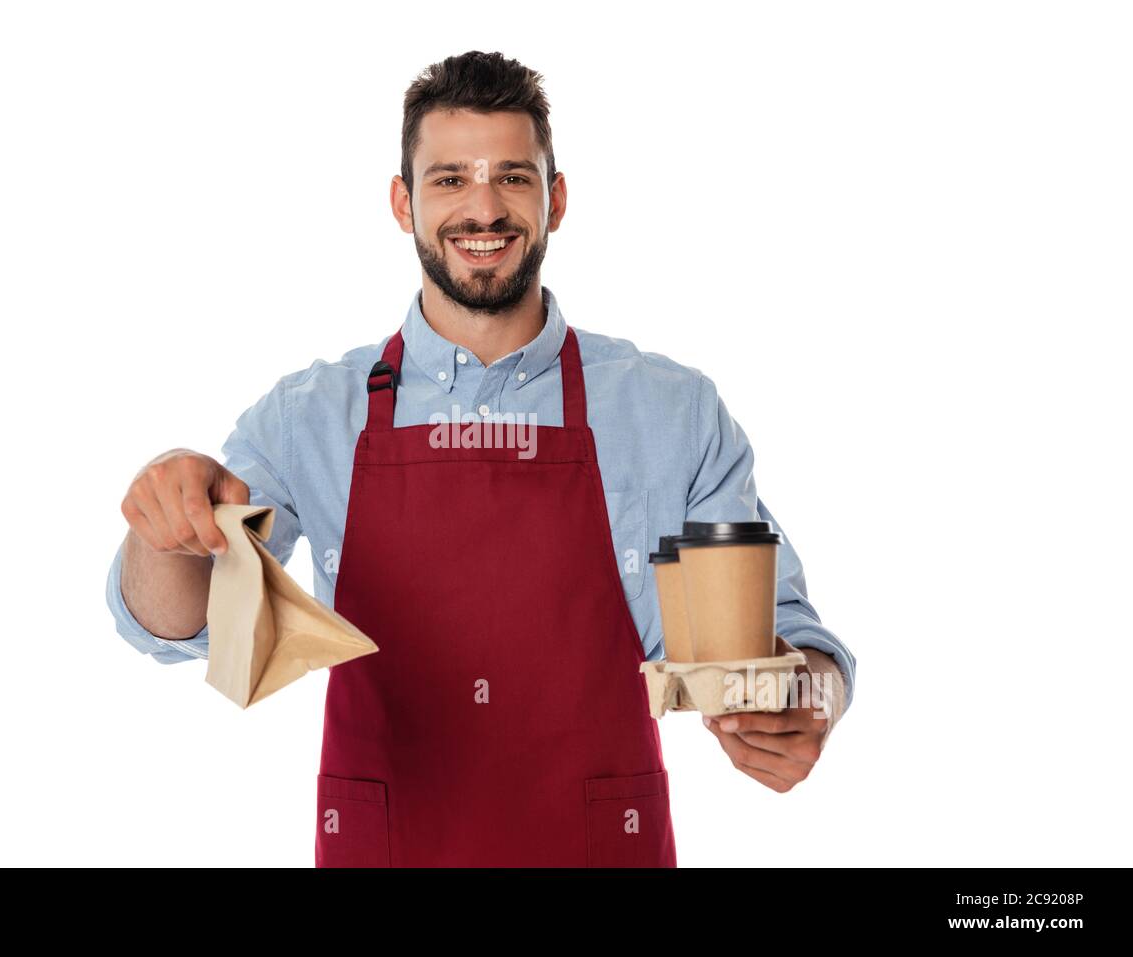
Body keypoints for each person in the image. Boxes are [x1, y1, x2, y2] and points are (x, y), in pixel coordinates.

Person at [106, 50, 856, 867]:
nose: (485, 207)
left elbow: (793, 639)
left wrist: (808, 699)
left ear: (555, 198)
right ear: (403, 202)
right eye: (450, 178)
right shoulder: (310, 416)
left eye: (513, 177)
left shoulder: (671, 411)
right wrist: (166, 525)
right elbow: (183, 627)